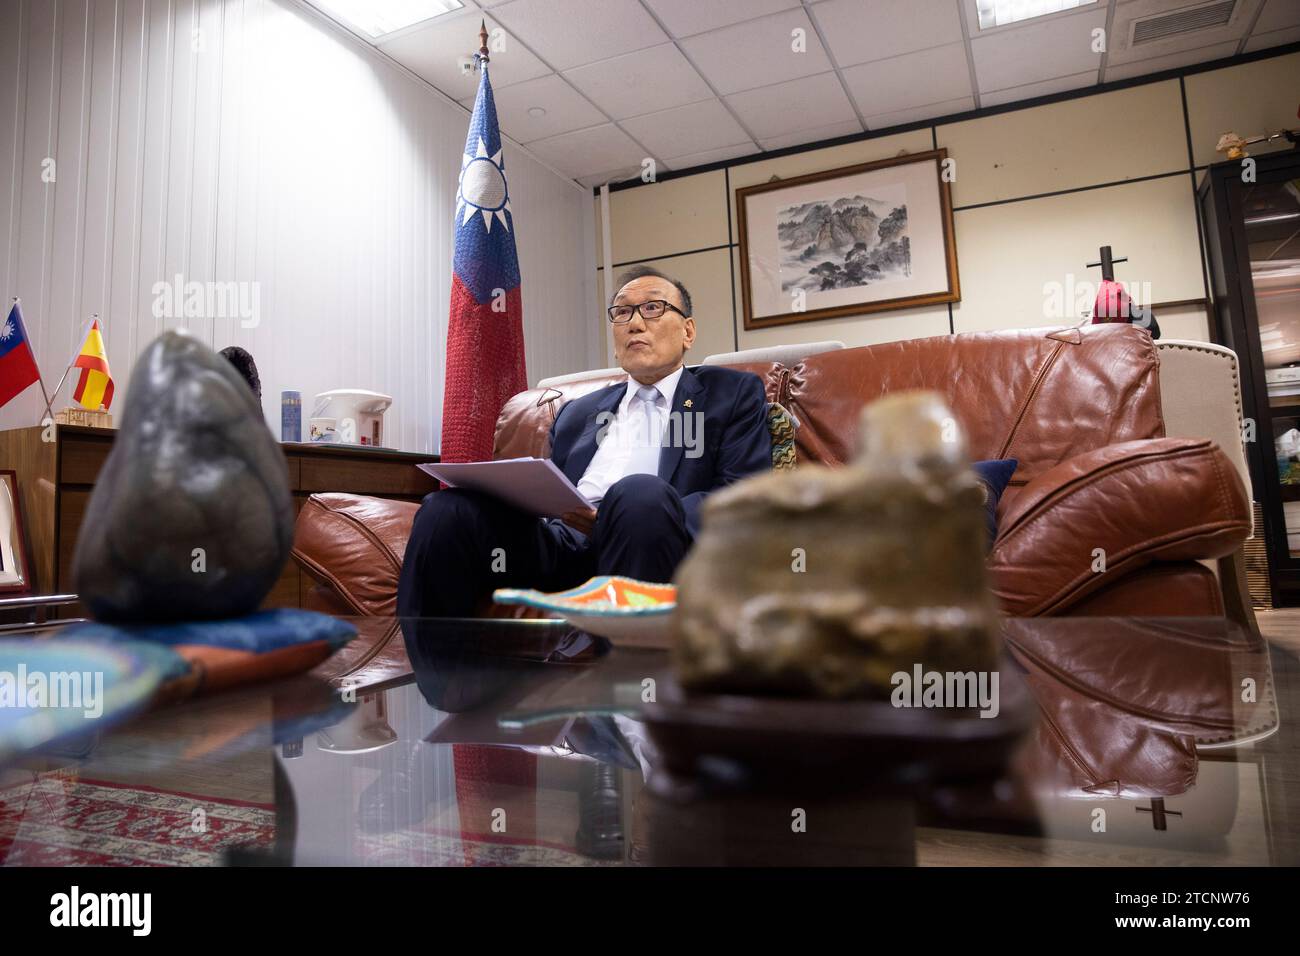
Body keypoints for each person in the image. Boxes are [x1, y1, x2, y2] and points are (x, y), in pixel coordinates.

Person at [397, 265, 772, 618]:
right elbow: (553, 494)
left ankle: (632, 666)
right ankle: (439, 667)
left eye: (652, 308)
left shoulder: (730, 393)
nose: (634, 323)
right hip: (565, 544)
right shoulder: (578, 412)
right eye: (622, 313)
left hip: (651, 538)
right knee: (447, 510)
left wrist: (613, 519)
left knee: (638, 494)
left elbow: (743, 495)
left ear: (688, 331)